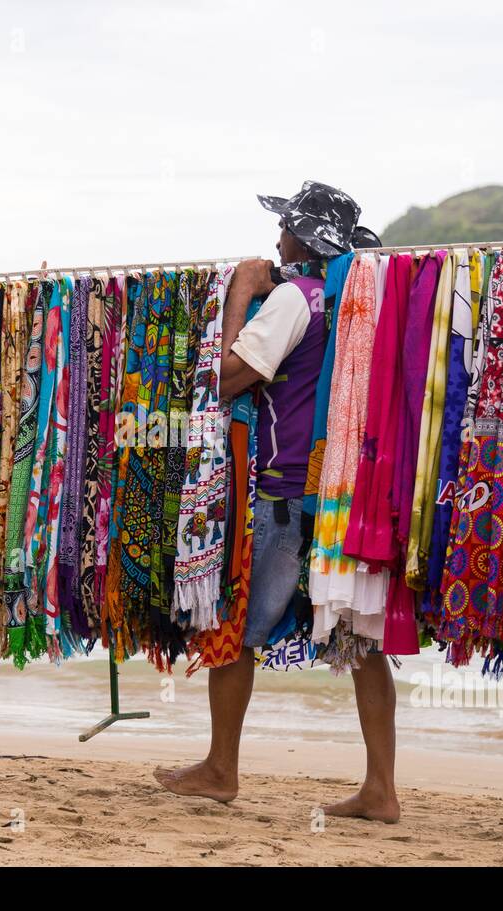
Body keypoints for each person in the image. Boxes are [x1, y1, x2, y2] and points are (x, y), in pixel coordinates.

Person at [154, 181, 401, 823]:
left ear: (305, 241)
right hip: (340, 493)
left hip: (284, 493)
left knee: (233, 628)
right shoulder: (350, 298)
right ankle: (380, 789)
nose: (275, 240)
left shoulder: (294, 298)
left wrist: (239, 293)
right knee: (359, 638)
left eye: (285, 229)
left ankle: (219, 770)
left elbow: (227, 376)